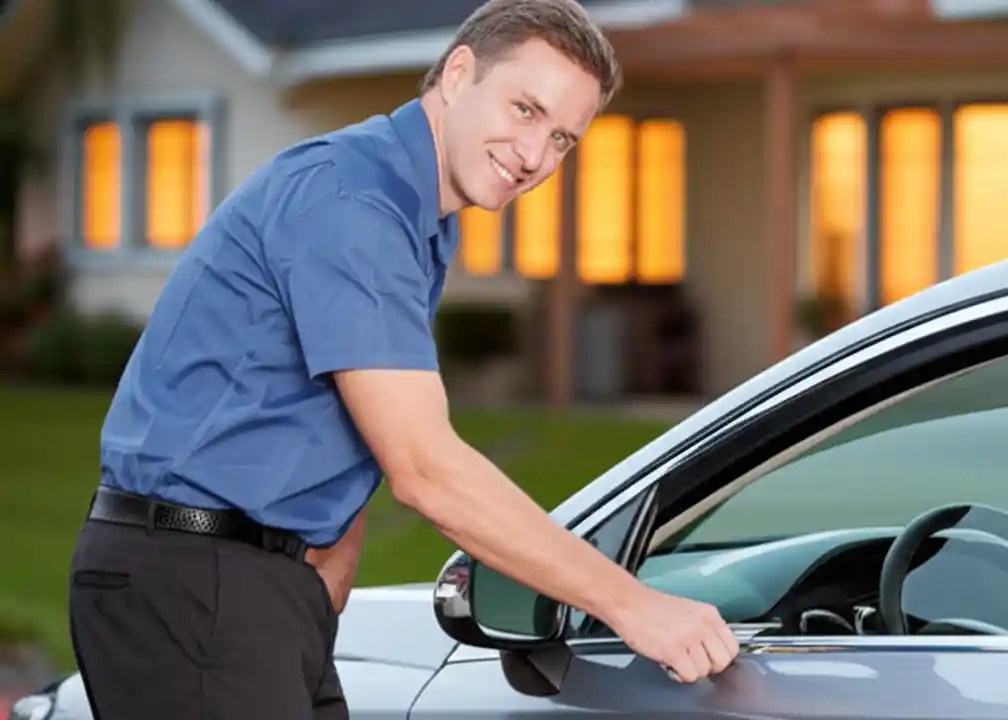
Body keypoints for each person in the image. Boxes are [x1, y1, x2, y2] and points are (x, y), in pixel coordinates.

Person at [65, 0, 740, 717]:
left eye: (563, 138)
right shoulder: (353, 202)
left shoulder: (414, 217)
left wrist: (316, 589)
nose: (536, 154)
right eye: (523, 109)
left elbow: (352, 428)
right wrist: (634, 607)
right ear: (457, 74)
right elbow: (426, 469)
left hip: (255, 589)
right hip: (191, 581)